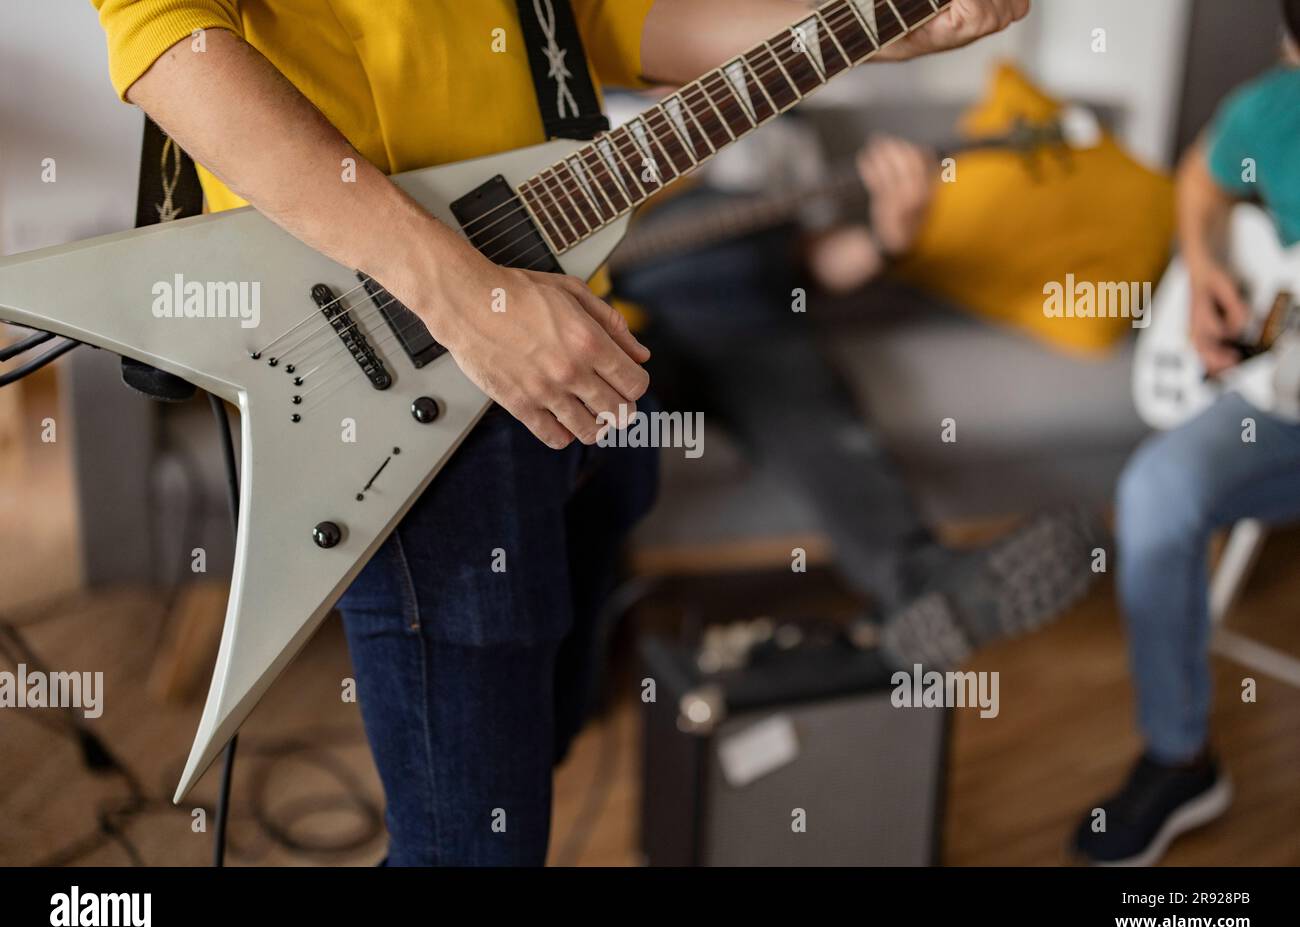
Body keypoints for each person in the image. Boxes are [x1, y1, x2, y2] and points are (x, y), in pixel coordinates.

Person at [91, 0, 1029, 865]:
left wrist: (868, 26)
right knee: (473, 849)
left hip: (575, 350)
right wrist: (465, 295)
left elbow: (603, 20)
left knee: (521, 765)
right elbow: (166, 35)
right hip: (415, 372)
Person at [614, 125, 1105, 664]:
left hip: (739, 320)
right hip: (606, 320)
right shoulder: (577, 105)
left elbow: (813, 264)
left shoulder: (778, 133)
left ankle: (921, 583)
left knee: (809, 412)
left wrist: (888, 237)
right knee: (592, 422)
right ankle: (586, 628)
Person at [1073, 1, 1300, 866]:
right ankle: (1180, 757)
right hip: (1276, 404)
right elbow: (1202, 179)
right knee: (1156, 490)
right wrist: (1206, 273)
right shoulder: (1271, 107)